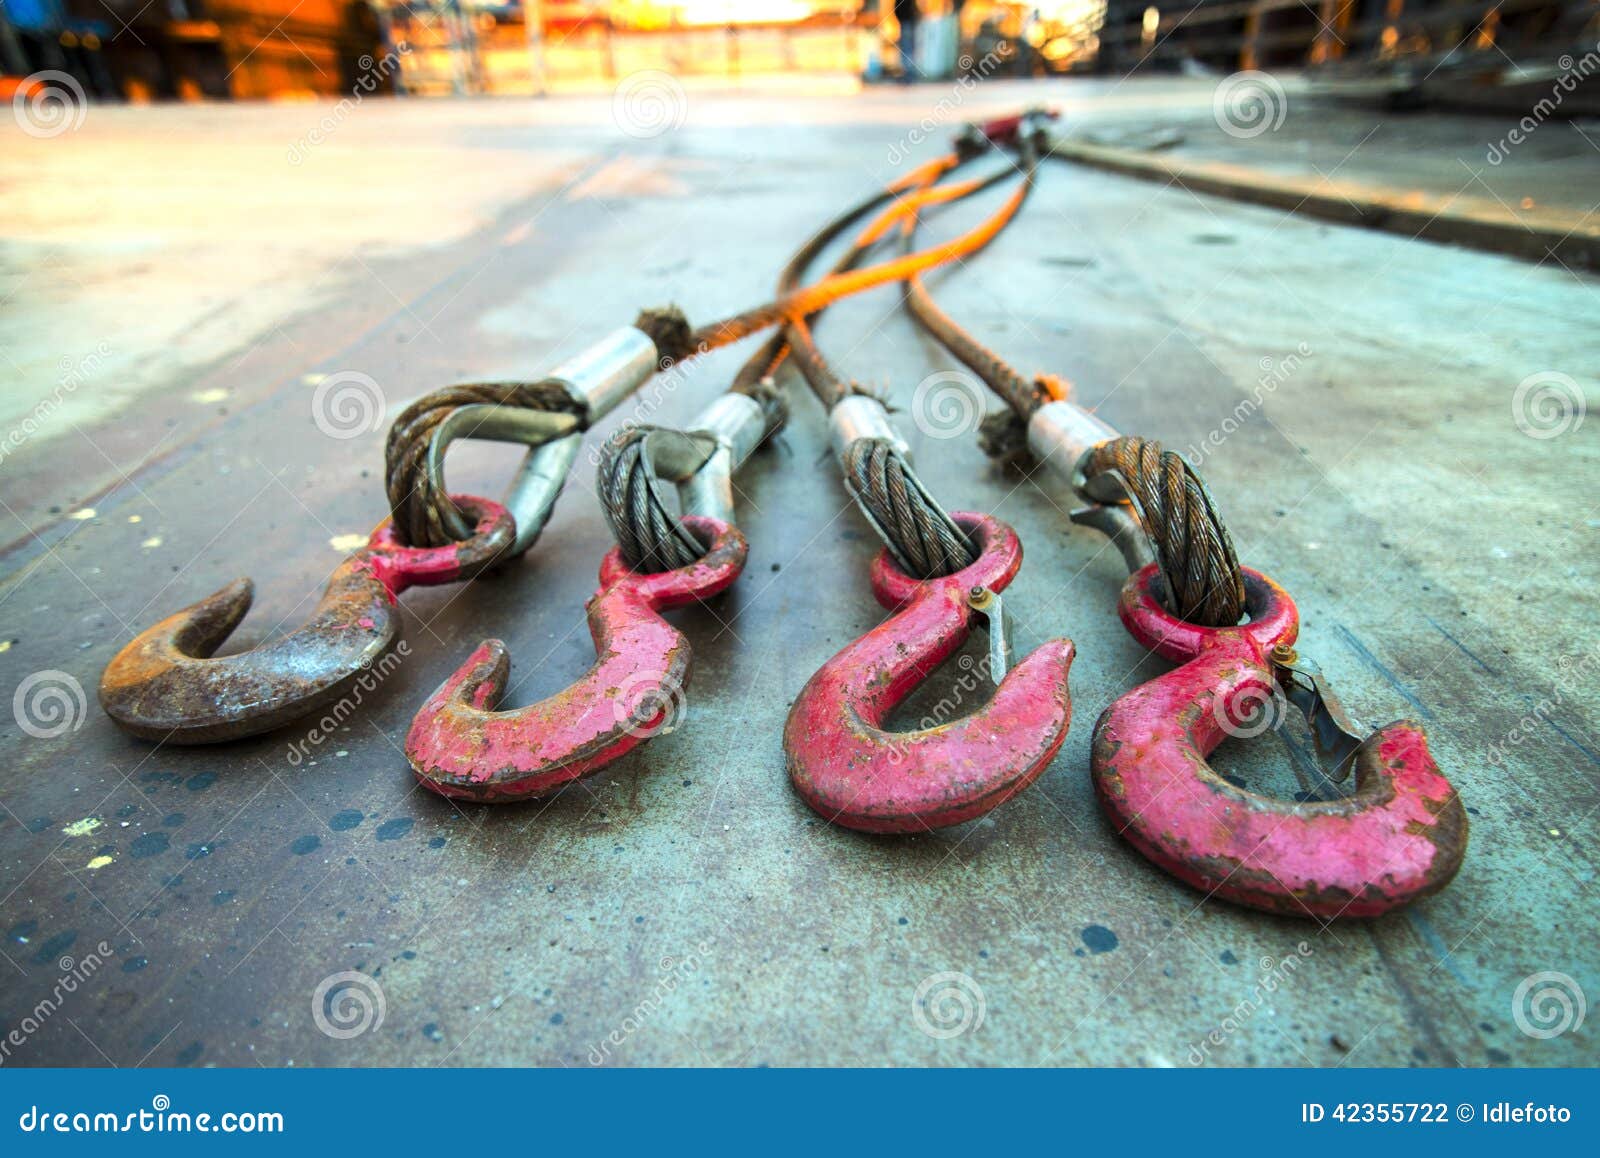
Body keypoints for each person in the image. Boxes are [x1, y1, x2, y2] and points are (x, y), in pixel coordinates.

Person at [894, 0, 919, 82]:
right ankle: (908, 73)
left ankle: (909, 73)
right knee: (906, 47)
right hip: (904, 21)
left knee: (907, 47)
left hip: (906, 21)